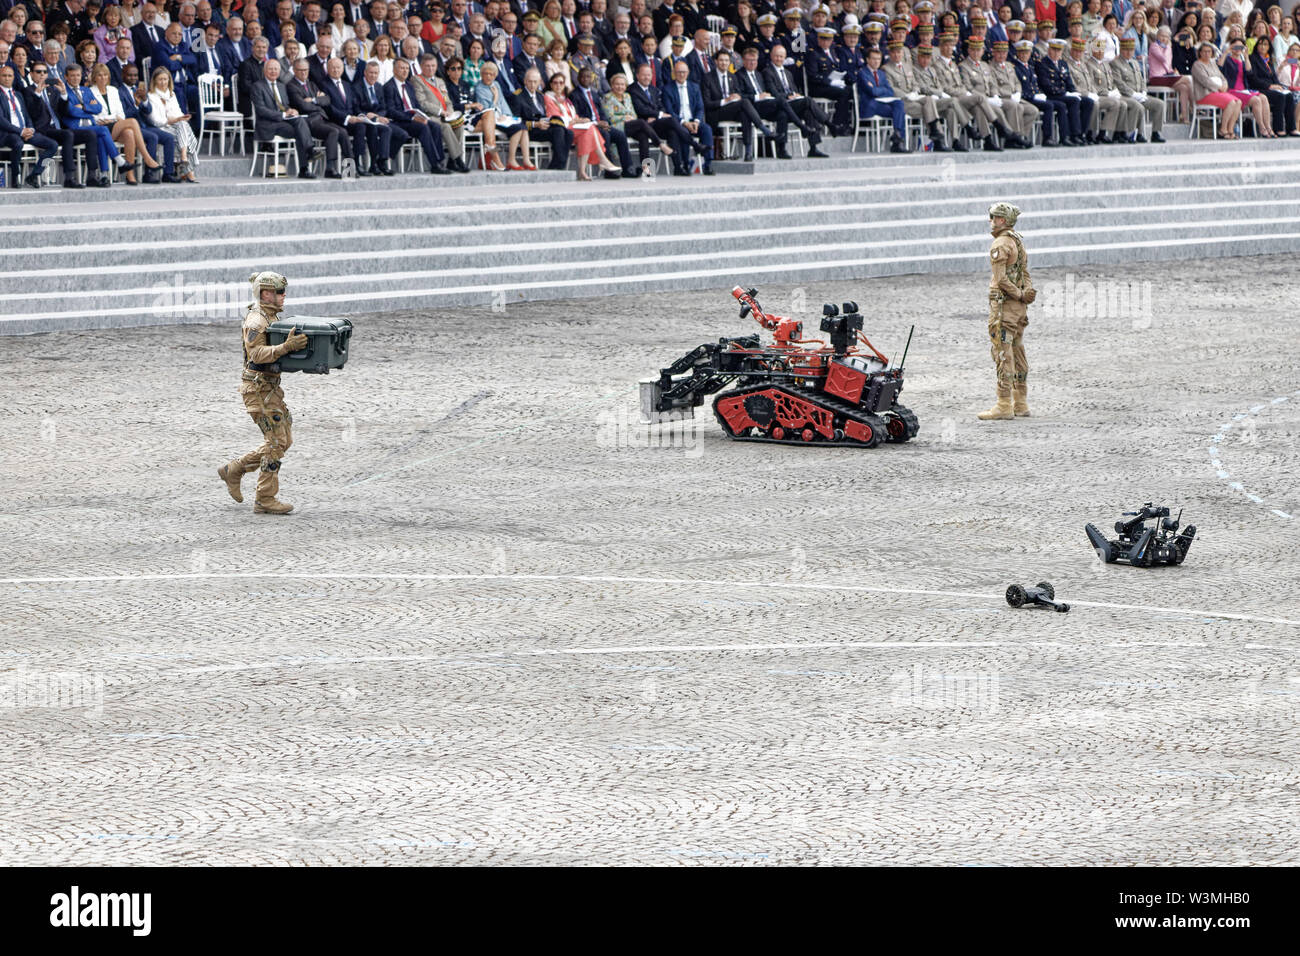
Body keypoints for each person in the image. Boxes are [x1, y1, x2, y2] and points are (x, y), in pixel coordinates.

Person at [219, 272, 309, 515]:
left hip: (269, 388)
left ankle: (234, 470)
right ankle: (265, 498)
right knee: (276, 442)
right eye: (280, 292)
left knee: (284, 440)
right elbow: (257, 354)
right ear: (266, 293)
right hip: (257, 390)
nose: (284, 295)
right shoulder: (257, 321)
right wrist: (286, 347)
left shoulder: (270, 316)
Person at [979, 202, 1035, 421]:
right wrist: (1026, 292)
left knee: (1003, 352)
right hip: (1019, 307)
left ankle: (1004, 404)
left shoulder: (1001, 243)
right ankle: (1020, 402)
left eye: (994, 217)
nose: (991, 221)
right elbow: (1024, 272)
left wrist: (1019, 294)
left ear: (1002, 220)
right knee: (1017, 349)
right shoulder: (1016, 240)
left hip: (1005, 305)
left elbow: (1001, 279)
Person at [23, 58, 97, 187]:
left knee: (90, 134)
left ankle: (92, 176)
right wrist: (37, 94)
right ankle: (69, 177)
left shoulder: (52, 90)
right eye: (38, 72)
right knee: (67, 135)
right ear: (32, 74)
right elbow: (33, 113)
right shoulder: (28, 91)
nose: (42, 74)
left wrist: (63, 94)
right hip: (43, 129)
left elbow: (63, 111)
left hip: (58, 129)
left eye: (44, 72)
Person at [88, 62, 161, 183]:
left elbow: (121, 114)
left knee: (129, 133)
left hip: (114, 126)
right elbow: (94, 117)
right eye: (99, 75)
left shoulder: (113, 90)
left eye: (105, 75)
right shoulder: (89, 92)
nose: (103, 78)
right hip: (101, 129)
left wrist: (111, 118)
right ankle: (147, 158)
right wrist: (113, 117)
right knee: (132, 121)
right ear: (94, 77)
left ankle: (130, 174)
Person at [545, 67, 620, 179]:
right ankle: (603, 160)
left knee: (587, 132)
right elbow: (555, 116)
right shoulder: (548, 97)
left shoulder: (565, 99)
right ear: (551, 85)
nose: (558, 85)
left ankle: (582, 172)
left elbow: (573, 115)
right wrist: (576, 120)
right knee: (590, 129)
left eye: (561, 83)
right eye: (555, 83)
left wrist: (580, 119)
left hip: (573, 127)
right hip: (562, 128)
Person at [701, 49, 774, 161]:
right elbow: (707, 103)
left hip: (731, 110)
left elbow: (739, 93)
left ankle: (748, 152)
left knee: (745, 114)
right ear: (716, 62)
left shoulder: (732, 76)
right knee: (744, 102)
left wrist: (737, 97)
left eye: (726, 60)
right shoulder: (707, 78)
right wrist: (725, 100)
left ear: (729, 62)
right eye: (721, 60)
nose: (724, 63)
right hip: (716, 112)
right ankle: (763, 128)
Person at [287, 57, 351, 178]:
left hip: (322, 118)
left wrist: (313, 100)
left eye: (306, 70)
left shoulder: (311, 84)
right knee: (333, 131)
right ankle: (330, 168)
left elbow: (327, 100)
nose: (304, 73)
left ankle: (350, 168)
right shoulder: (291, 86)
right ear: (294, 70)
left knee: (343, 132)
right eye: (300, 70)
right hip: (310, 121)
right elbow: (303, 106)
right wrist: (318, 103)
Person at [0, 63, 58, 188]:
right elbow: (1, 121)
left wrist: (30, 129)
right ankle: (15, 177)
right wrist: (20, 131)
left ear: (14, 77)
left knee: (52, 145)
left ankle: (34, 175)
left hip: (24, 131)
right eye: (4, 75)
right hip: (7, 133)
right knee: (17, 143)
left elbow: (26, 115)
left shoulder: (18, 94)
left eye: (10, 76)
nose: (7, 78)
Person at [411, 53, 468, 170]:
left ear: (437, 66)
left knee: (459, 127)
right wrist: (441, 111)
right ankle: (458, 159)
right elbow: (422, 103)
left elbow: (447, 101)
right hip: (429, 116)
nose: (430, 68)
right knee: (445, 127)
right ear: (421, 66)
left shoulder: (440, 81)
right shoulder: (417, 80)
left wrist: (450, 112)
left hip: (445, 115)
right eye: (427, 66)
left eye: (433, 66)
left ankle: (451, 161)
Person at [603, 70, 669, 169]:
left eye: (622, 84)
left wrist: (631, 118)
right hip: (617, 127)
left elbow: (633, 113)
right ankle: (659, 144)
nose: (620, 87)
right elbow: (610, 117)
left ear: (625, 86)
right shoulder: (607, 98)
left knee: (643, 135)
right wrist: (624, 118)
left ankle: (645, 167)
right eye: (617, 84)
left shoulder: (627, 96)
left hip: (631, 125)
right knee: (641, 122)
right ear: (612, 85)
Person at [146, 64, 200, 180]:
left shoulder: (172, 94)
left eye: (165, 79)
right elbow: (154, 120)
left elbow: (178, 113)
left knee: (183, 124)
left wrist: (181, 118)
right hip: (161, 128)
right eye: (160, 79)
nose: (163, 82)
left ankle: (184, 157)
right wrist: (171, 120)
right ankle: (187, 168)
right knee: (189, 136)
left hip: (175, 126)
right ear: (154, 81)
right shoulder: (151, 96)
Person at [1222, 37, 1276, 135]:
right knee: (1256, 100)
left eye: (1240, 47)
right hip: (1232, 90)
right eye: (1236, 46)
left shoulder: (1243, 61)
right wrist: (1226, 52)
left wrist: (1246, 57)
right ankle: (1262, 128)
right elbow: (1220, 67)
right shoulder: (1227, 59)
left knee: (1263, 97)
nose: (1238, 49)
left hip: (1244, 90)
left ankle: (1268, 127)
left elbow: (1249, 72)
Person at [1248, 32, 1297, 132]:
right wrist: (1270, 86)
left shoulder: (1268, 59)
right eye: (1260, 44)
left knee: (1289, 95)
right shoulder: (1252, 58)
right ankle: (1278, 129)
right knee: (1280, 97)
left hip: (1271, 88)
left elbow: (1274, 76)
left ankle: (1291, 128)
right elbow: (1253, 78)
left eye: (1265, 44)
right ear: (1257, 46)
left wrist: (1279, 86)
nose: (1263, 46)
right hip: (1260, 88)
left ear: (1269, 47)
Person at [1191, 39, 1242, 136]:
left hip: (1218, 92)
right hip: (1205, 94)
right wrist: (1219, 87)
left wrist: (1225, 84)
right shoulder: (1197, 65)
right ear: (1200, 53)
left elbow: (1222, 77)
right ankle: (1223, 130)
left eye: (1209, 51)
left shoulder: (1212, 63)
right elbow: (1205, 81)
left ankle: (1230, 129)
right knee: (1231, 102)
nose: (1207, 54)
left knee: (1238, 102)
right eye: (1204, 51)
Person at [1148, 25, 1194, 121]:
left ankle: (1184, 116)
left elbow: (1168, 64)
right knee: (1188, 79)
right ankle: (1193, 106)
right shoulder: (1154, 46)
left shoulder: (1167, 48)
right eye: (1162, 36)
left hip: (1166, 76)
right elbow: (1163, 59)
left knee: (1184, 87)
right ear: (1157, 36)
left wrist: (1173, 72)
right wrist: (1168, 47)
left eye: (1166, 36)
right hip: (1156, 78)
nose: (1164, 39)